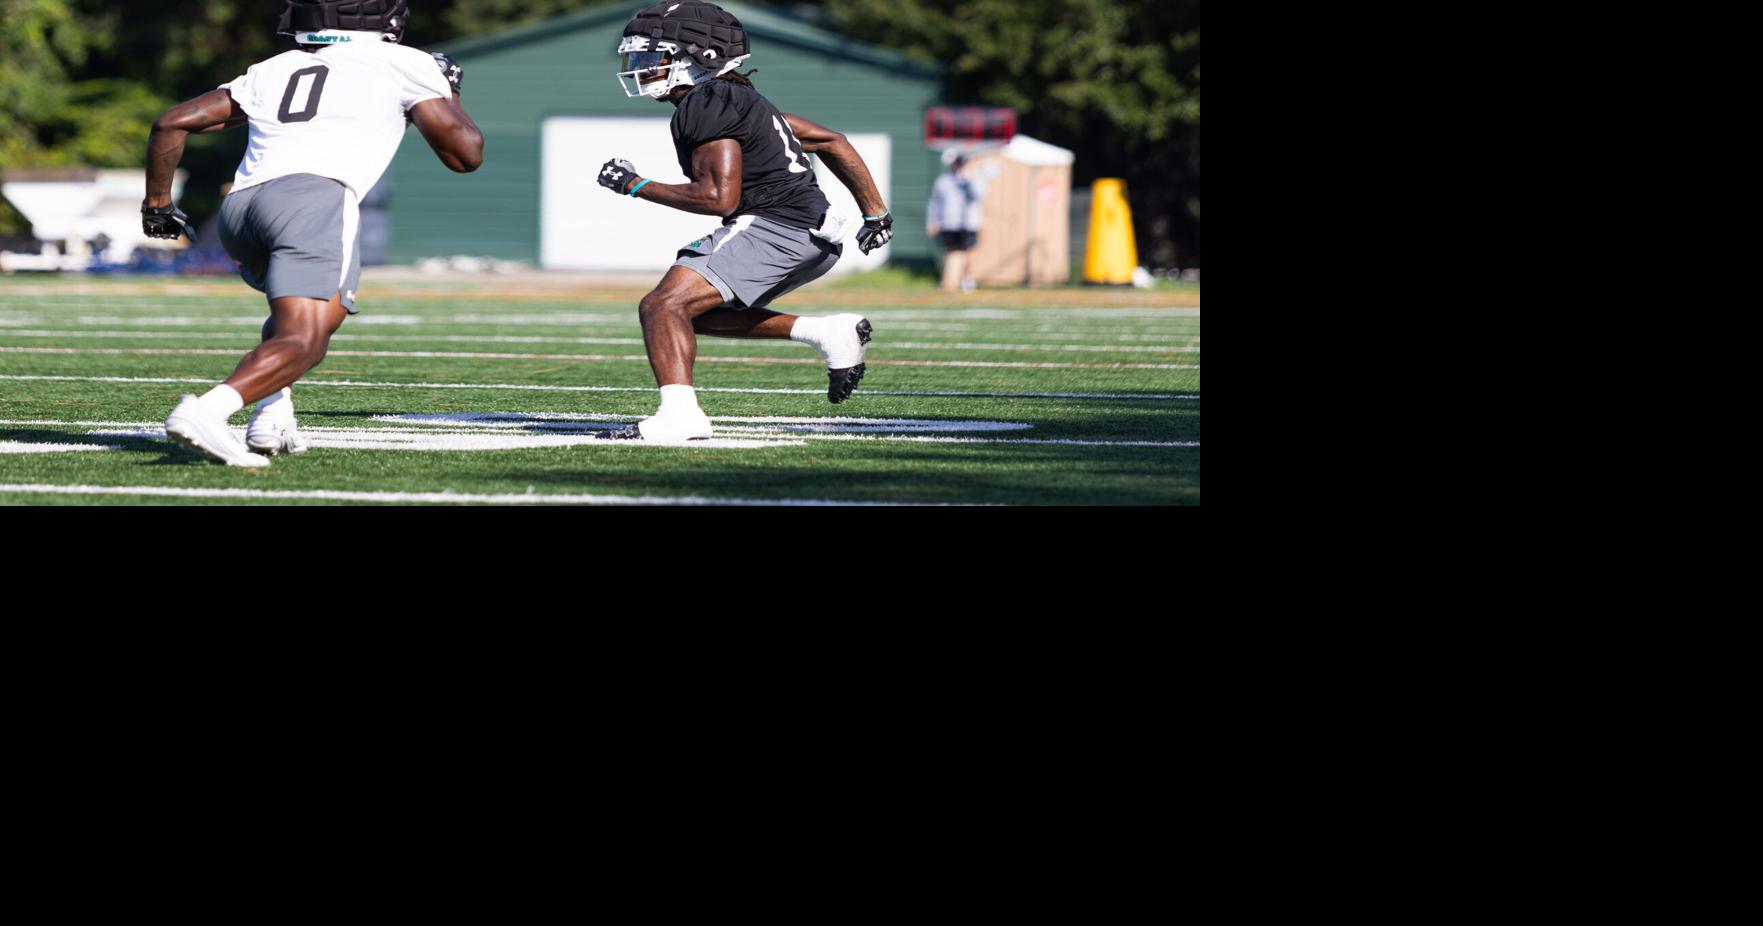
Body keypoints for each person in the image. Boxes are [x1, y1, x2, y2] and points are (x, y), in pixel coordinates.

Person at [143, 0, 483, 466]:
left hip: (241, 208)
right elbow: (465, 155)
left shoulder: (274, 67)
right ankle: (206, 412)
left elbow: (171, 122)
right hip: (312, 200)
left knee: (308, 319)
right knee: (306, 340)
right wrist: (448, 92)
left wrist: (158, 205)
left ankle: (272, 414)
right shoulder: (406, 62)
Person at [595, 0, 894, 441]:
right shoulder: (742, 100)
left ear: (698, 58)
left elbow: (717, 198)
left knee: (663, 305)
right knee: (689, 316)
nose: (640, 67)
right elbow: (831, 140)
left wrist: (634, 184)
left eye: (652, 56)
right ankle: (827, 331)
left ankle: (681, 417)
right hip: (810, 234)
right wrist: (875, 212)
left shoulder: (706, 101)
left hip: (777, 226)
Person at [927, 149, 989, 293]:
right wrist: (933, 220)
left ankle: (967, 279)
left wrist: (968, 179)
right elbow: (935, 202)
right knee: (950, 251)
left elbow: (979, 195)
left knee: (968, 252)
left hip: (969, 222)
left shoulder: (973, 178)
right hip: (949, 222)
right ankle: (950, 279)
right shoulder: (943, 181)